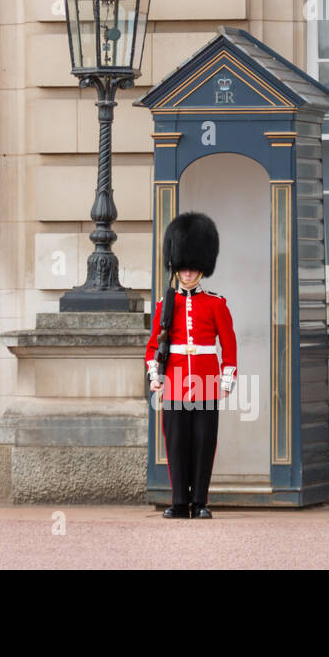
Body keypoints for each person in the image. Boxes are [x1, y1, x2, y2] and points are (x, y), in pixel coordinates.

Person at [144, 211, 237, 520]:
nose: (187, 274)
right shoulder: (165, 304)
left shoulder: (216, 303)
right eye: (182, 269)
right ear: (177, 269)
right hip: (173, 381)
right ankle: (178, 502)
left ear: (201, 270)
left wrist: (226, 379)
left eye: (192, 269)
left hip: (207, 381)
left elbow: (229, 343)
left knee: (203, 443)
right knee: (176, 443)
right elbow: (155, 344)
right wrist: (155, 376)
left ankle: (199, 501)